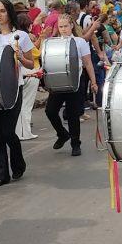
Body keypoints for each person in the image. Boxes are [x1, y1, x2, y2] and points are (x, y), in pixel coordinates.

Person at [0, 0, 35, 186]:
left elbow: (31, 63)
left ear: (9, 13)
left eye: (2, 11)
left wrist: (20, 57)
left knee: (8, 131)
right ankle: (1, 174)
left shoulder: (21, 36)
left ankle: (18, 161)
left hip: (13, 88)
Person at [44, 13, 98, 156]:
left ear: (71, 26)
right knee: (50, 111)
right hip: (58, 83)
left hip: (75, 82)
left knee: (73, 115)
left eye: (65, 26)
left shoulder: (80, 42)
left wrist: (93, 82)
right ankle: (62, 134)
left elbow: (87, 62)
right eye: (60, 27)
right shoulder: (53, 43)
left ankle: (75, 143)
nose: (63, 29)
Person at [15, 14, 42, 140]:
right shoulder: (25, 37)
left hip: (20, 73)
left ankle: (19, 131)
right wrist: (42, 38)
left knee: (20, 104)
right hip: (30, 72)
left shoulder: (13, 35)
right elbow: (36, 53)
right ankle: (25, 132)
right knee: (26, 105)